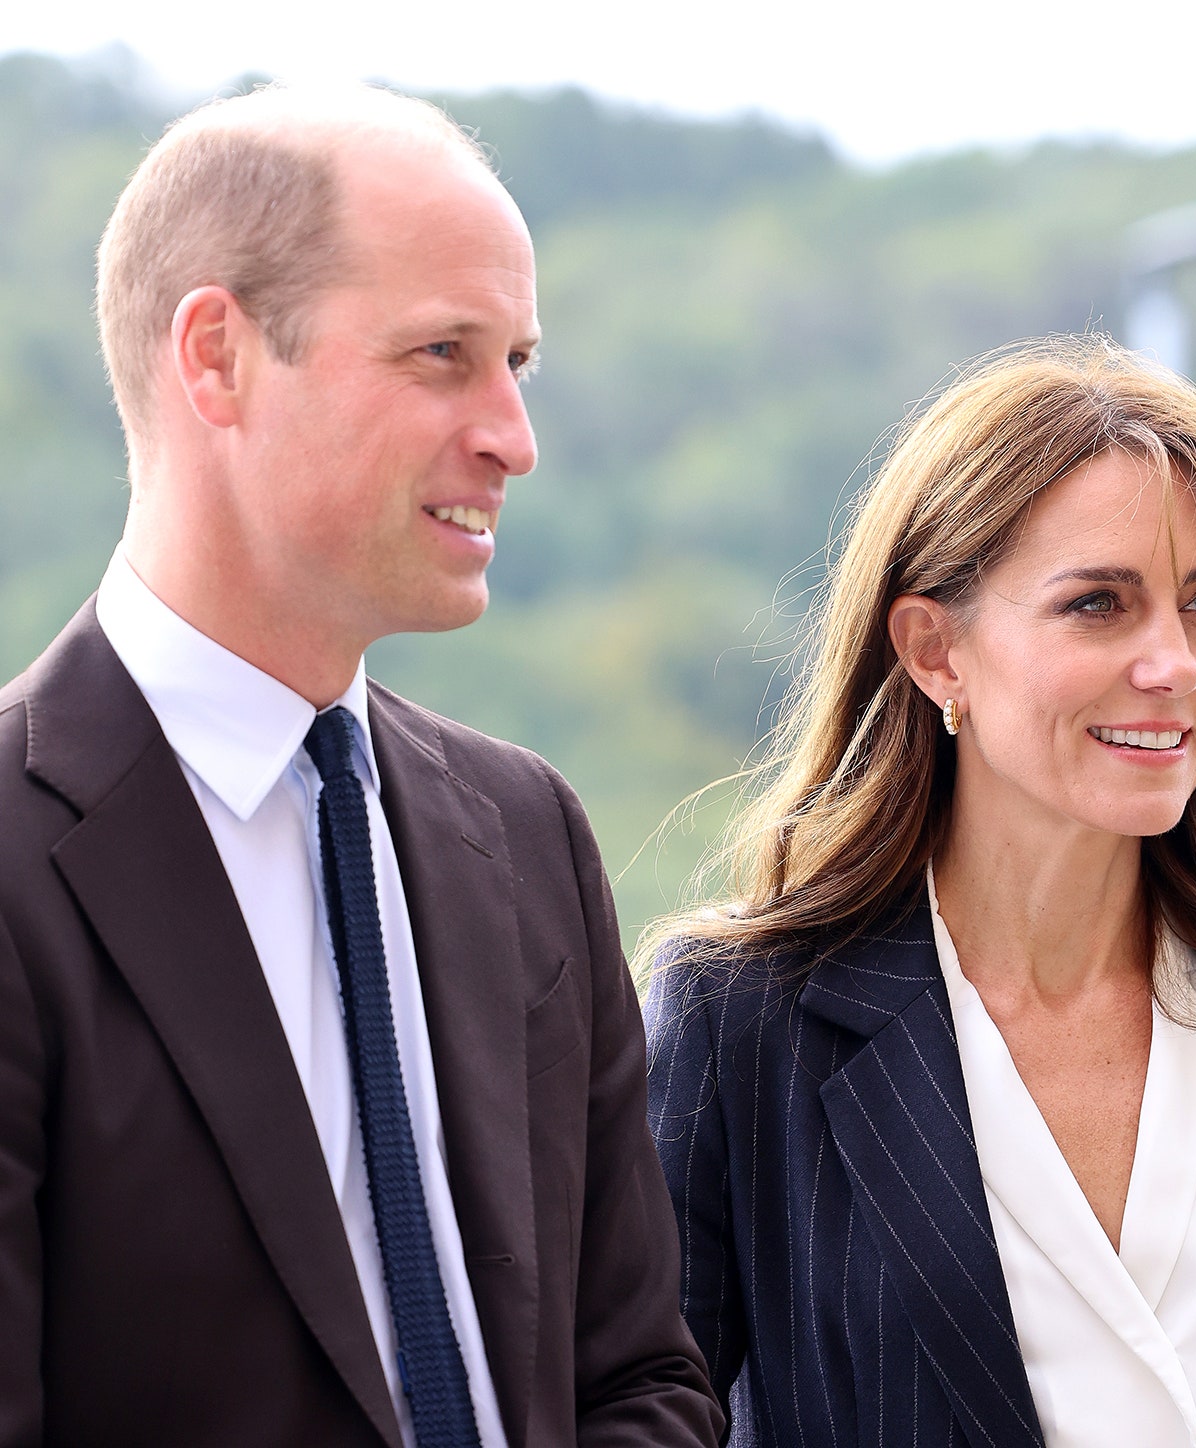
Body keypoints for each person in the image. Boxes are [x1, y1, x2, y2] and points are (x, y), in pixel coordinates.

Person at [0, 84, 721, 1448]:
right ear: (213, 357)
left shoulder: (528, 835)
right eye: (442, 353)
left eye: (520, 362)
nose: (515, 435)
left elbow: (640, 1382)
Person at [644, 337, 1196, 1447]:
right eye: (1096, 604)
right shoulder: (745, 1015)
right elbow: (635, 1411)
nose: (1172, 662)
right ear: (935, 651)